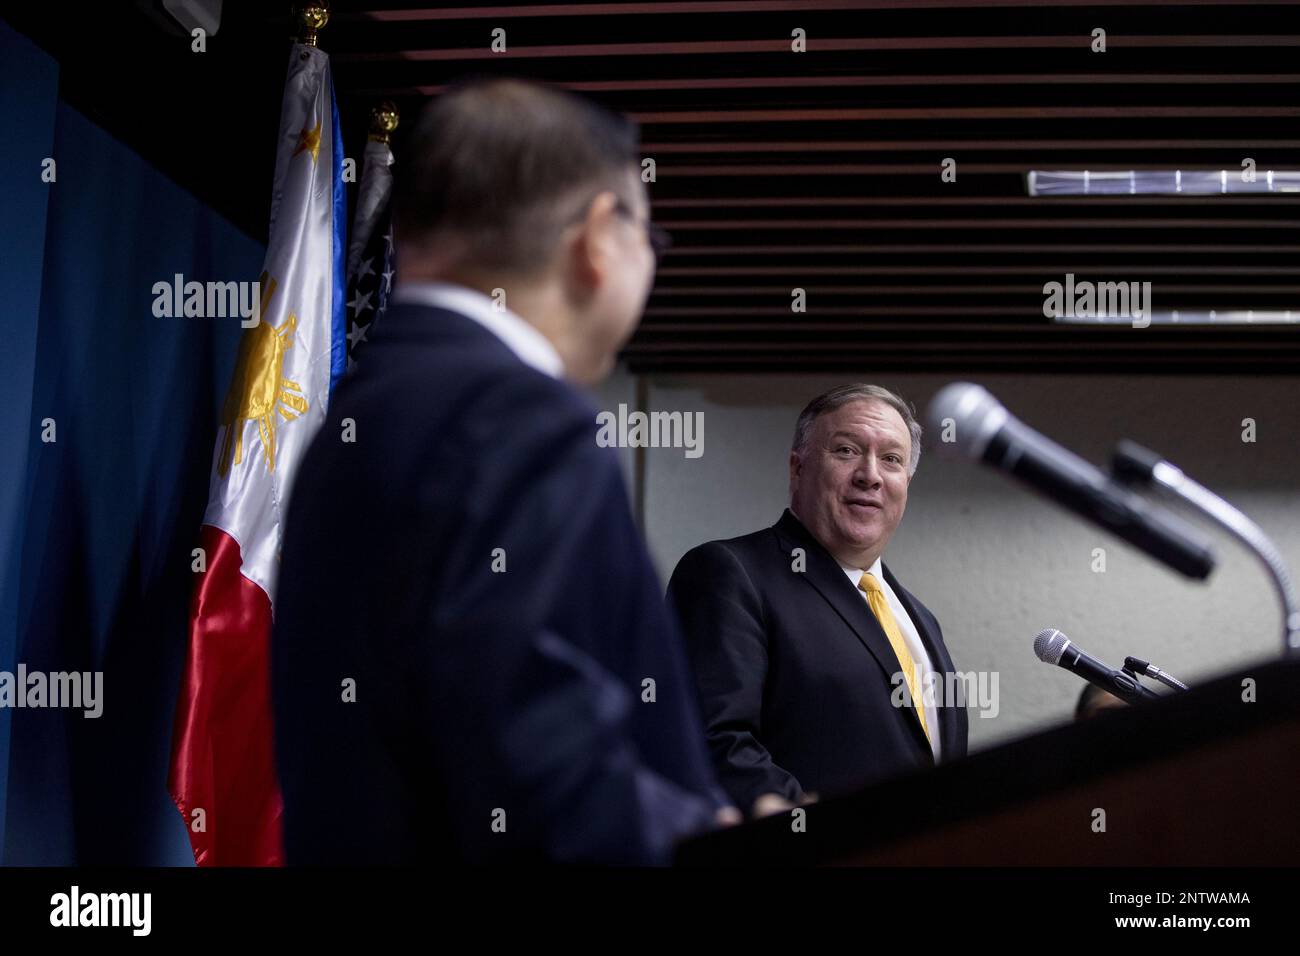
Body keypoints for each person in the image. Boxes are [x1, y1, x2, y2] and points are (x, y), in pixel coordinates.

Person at [273, 77, 733, 865]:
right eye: (649, 239)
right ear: (596, 237)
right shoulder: (521, 418)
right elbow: (536, 766)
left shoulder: (360, 412)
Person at [668, 384, 968, 817]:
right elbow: (713, 741)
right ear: (797, 468)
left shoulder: (920, 618)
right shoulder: (729, 573)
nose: (871, 475)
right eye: (846, 451)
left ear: (906, 482)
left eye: (891, 459)